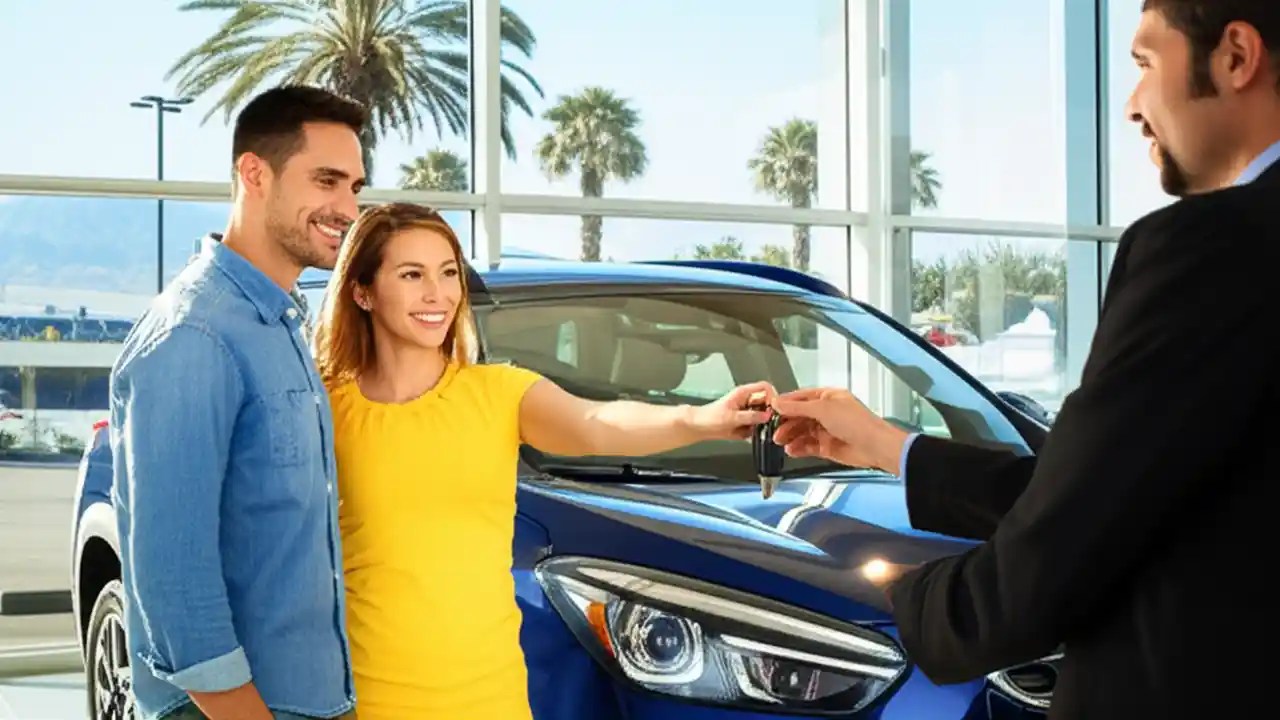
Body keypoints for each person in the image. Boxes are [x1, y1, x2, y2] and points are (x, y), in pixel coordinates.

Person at [768, 2, 1279, 718]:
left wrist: (888, 595)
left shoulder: (1209, 250)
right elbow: (1125, 486)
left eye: (1144, 64)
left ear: (1235, 56)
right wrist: (892, 447)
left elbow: (1065, 544)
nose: (1132, 107)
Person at [310, 202, 776, 720]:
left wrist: (700, 418)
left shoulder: (499, 395)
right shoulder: (325, 409)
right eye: (411, 274)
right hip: (365, 701)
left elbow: (596, 422)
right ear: (363, 291)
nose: (436, 294)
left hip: (487, 701)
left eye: (447, 273)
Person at [109, 84, 367, 720]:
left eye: (355, 187)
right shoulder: (195, 333)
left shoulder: (280, 325)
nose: (347, 207)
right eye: (327, 181)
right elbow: (172, 576)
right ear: (254, 173)